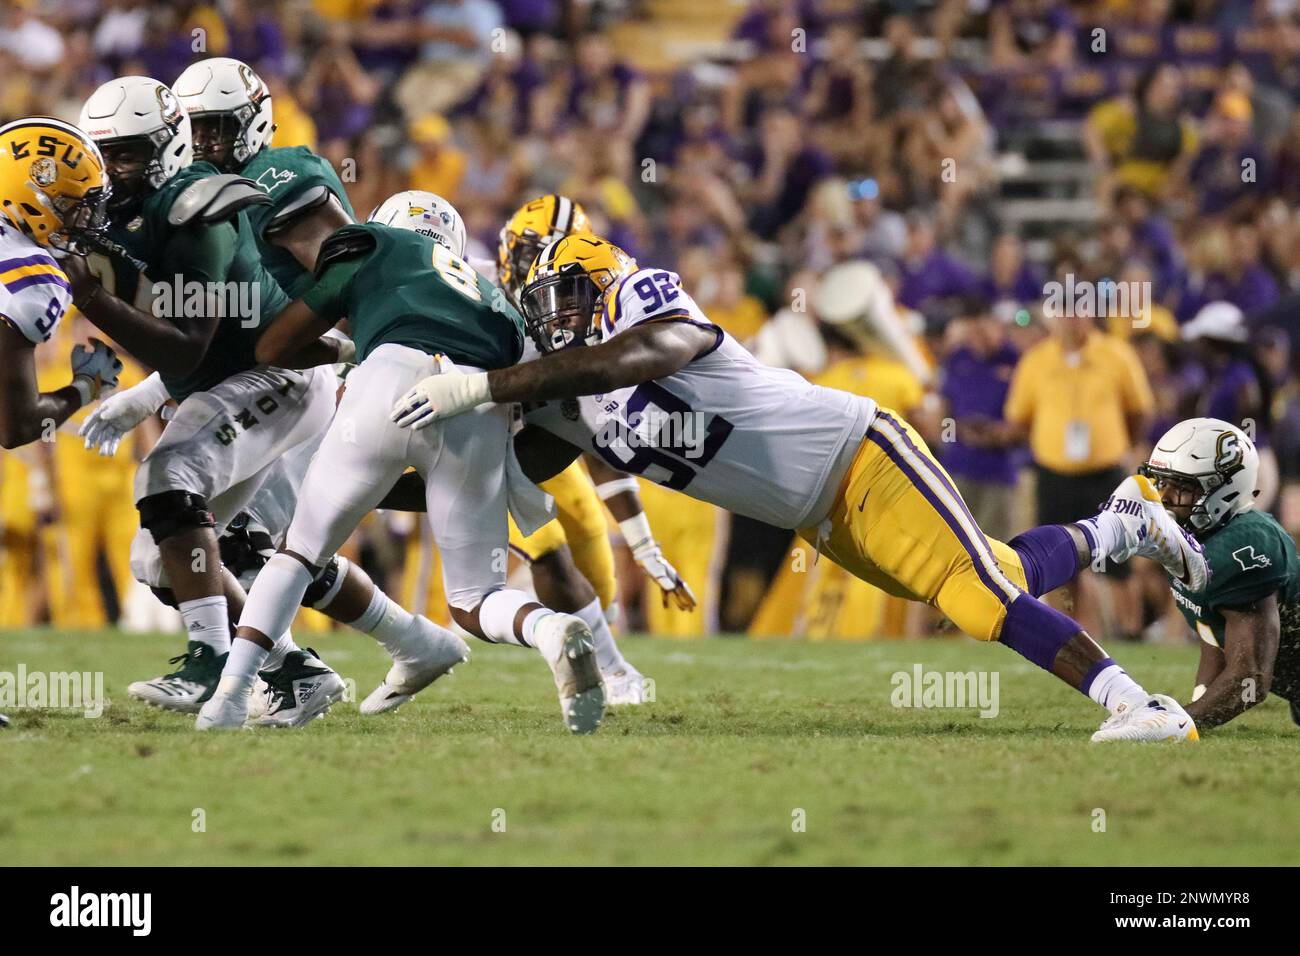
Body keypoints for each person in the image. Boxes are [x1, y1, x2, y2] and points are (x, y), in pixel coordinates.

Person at [389, 232, 1209, 742]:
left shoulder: (645, 298)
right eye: (542, 299)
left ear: (599, 279)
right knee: (1001, 573)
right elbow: (500, 471)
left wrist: (491, 385)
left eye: (565, 291)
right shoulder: (560, 397)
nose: (554, 311)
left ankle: (1138, 703)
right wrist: (388, 483)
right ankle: (1119, 526)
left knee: (979, 598)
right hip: (816, 514)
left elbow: (644, 357)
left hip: (859, 450)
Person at [197, 192, 606, 735]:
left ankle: (228, 699)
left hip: (389, 375)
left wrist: (344, 350)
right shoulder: (503, 306)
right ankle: (552, 630)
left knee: (297, 555)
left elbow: (274, 345)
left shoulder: (379, 245)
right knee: (474, 599)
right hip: (473, 404)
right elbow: (541, 417)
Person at [0, 116, 121, 452]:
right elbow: (16, 427)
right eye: (76, 206)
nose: (86, 220)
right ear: (35, 201)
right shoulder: (33, 280)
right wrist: (86, 387)